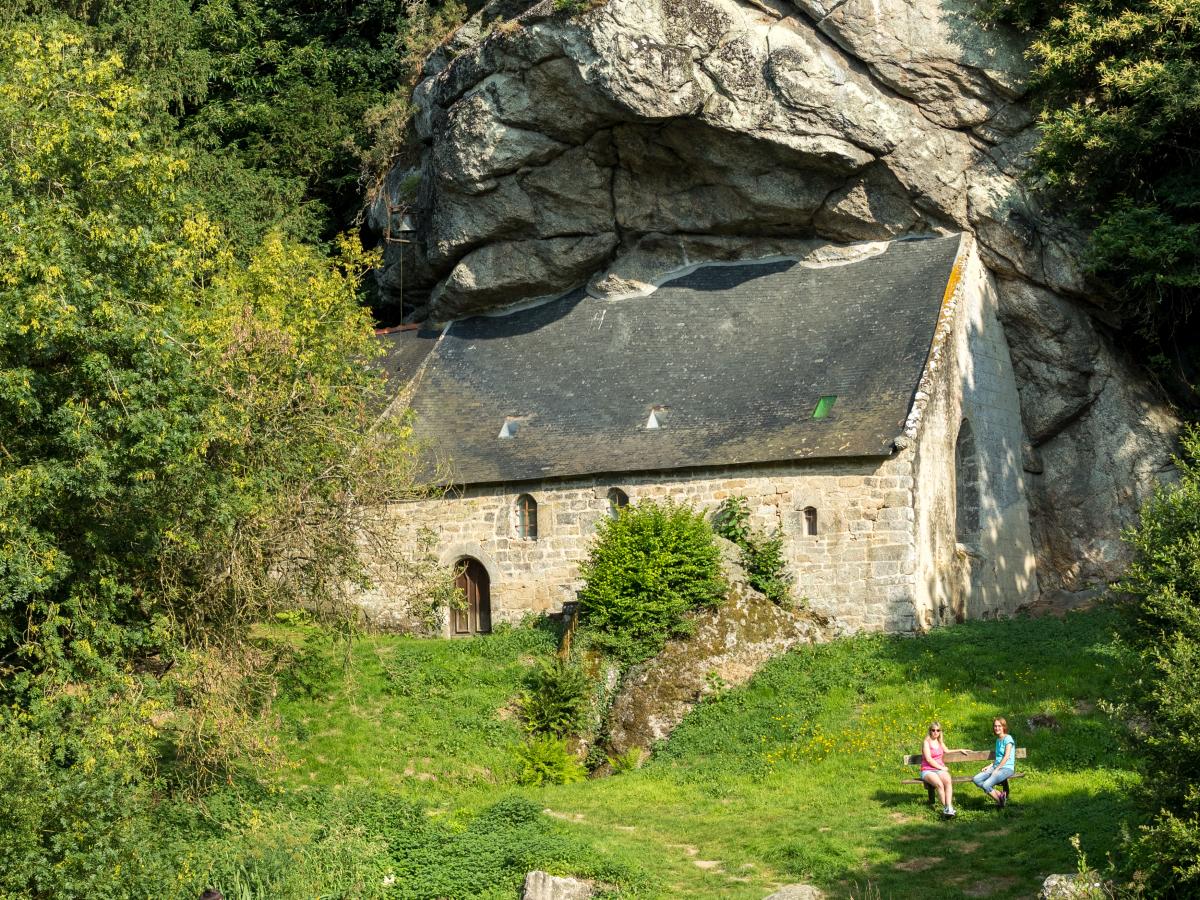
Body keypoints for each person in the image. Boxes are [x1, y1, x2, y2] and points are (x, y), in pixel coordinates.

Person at [972, 717, 1016, 807]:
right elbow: (998, 758)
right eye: (995, 726)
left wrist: (997, 769)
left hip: (1006, 768)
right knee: (976, 779)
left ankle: (1001, 803)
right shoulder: (998, 740)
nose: (997, 728)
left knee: (986, 785)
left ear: (1003, 727)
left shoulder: (1008, 738)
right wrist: (990, 766)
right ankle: (1000, 796)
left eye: (999, 726)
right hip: (996, 766)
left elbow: (1007, 756)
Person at [920, 721, 957, 817]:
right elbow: (928, 759)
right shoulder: (926, 742)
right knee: (939, 785)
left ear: (940, 732)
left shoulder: (940, 742)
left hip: (939, 769)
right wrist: (942, 767)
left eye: (938, 730)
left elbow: (947, 751)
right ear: (930, 731)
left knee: (948, 782)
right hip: (927, 769)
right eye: (933, 730)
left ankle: (949, 807)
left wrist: (961, 750)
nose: (935, 732)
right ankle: (947, 808)